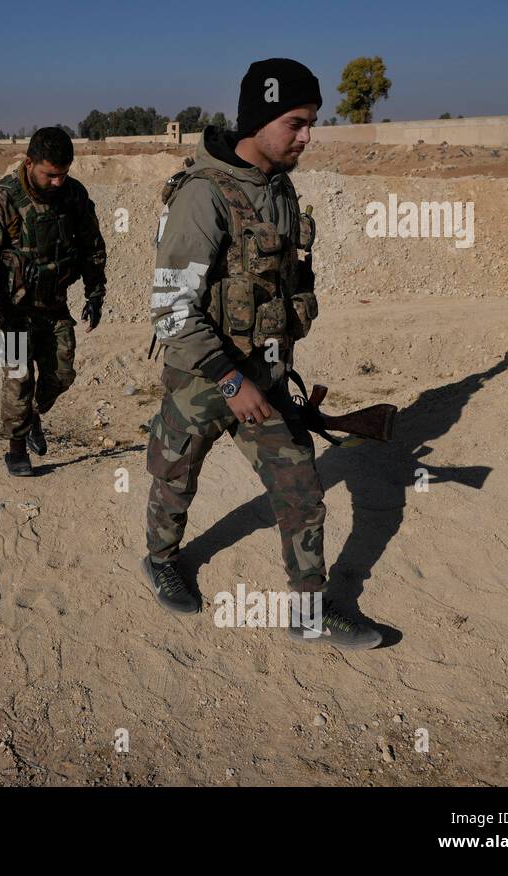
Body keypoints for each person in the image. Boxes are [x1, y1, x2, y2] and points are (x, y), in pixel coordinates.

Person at [143, 58, 381, 650]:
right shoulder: (203, 197)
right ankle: (161, 558)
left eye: (311, 123)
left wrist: (272, 367)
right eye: (297, 123)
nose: (307, 136)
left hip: (265, 374)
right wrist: (228, 379)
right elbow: (171, 311)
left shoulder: (280, 187)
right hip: (204, 377)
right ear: (261, 118)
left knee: (301, 487)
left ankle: (309, 610)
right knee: (175, 476)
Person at [0, 126, 107, 477]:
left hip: (55, 305)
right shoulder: (2, 199)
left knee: (62, 374)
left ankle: (32, 418)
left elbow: (92, 246)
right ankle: (16, 451)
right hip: (14, 311)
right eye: (50, 174)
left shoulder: (73, 195)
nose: (58, 182)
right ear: (29, 163)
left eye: (64, 174)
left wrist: (95, 293)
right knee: (19, 378)